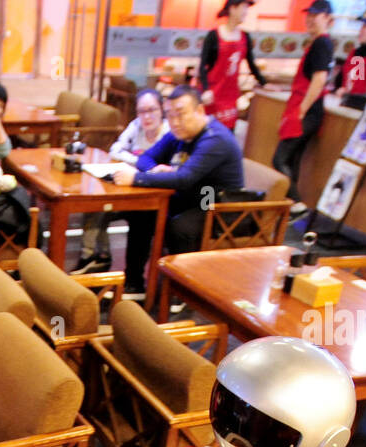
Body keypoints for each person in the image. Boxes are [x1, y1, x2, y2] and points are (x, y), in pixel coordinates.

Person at [109, 86, 244, 296]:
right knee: (140, 213)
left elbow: (183, 178)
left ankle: (181, 292)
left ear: (200, 111)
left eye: (180, 114)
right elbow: (146, 157)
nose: (174, 122)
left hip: (216, 206)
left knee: (179, 227)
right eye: (170, 115)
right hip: (189, 198)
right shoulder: (179, 134)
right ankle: (134, 284)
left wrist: (136, 178)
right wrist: (154, 170)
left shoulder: (215, 139)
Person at [72, 88, 169, 274]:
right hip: (129, 186)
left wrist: (140, 164)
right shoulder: (136, 127)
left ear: (162, 110)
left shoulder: (168, 134)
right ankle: (96, 256)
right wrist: (137, 160)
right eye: (142, 111)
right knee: (95, 206)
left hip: (153, 195)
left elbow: (162, 169)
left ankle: (101, 259)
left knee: (117, 214)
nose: (147, 116)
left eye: (152, 110)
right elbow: (116, 150)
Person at [274, 0, 334, 214]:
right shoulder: (322, 44)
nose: (309, 19)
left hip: (305, 111)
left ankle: (297, 203)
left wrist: (301, 110)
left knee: (279, 159)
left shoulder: (322, 44)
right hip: (307, 110)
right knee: (291, 159)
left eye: (315, 15)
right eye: (308, 14)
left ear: (327, 18)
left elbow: (319, 79)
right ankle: (290, 206)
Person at [199, 1, 267, 130]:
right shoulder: (213, 36)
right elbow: (202, 66)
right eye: (244, 8)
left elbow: (252, 65)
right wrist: (206, 90)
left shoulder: (245, 37)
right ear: (232, 8)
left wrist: (265, 83)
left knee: (228, 134)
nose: (246, 12)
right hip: (212, 96)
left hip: (230, 97)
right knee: (208, 133)